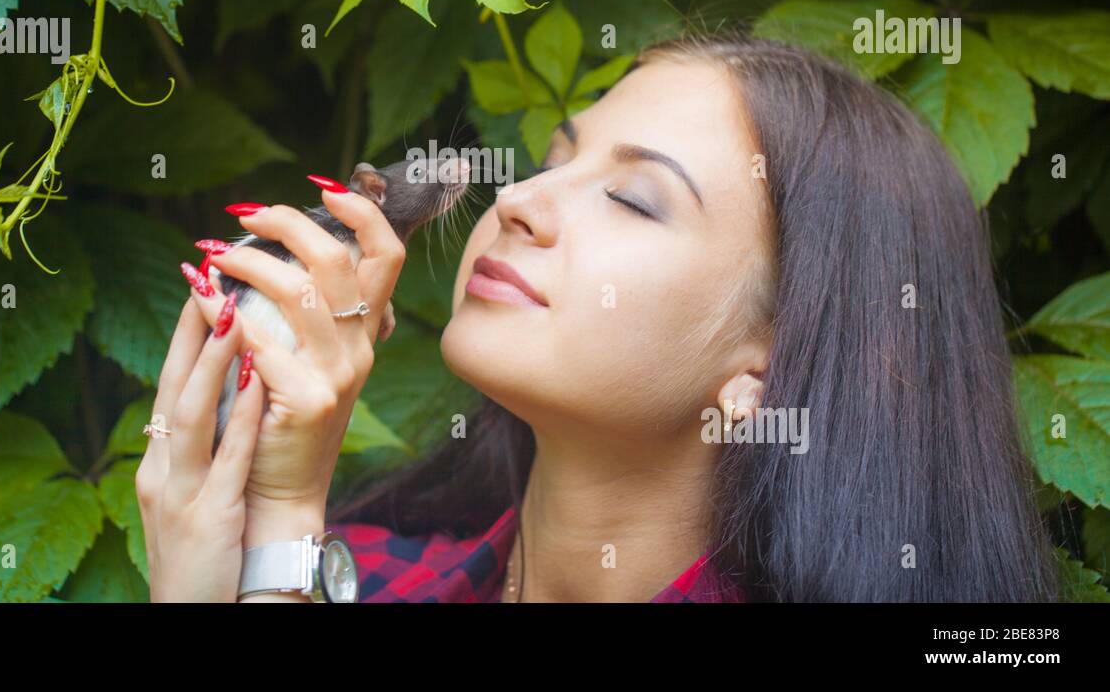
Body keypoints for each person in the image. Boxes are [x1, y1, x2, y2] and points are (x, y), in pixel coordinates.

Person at [135, 35, 1059, 603]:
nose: (524, 199)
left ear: (770, 371)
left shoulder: (308, 559)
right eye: (551, 158)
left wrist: (284, 544)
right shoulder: (370, 569)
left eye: (635, 199)